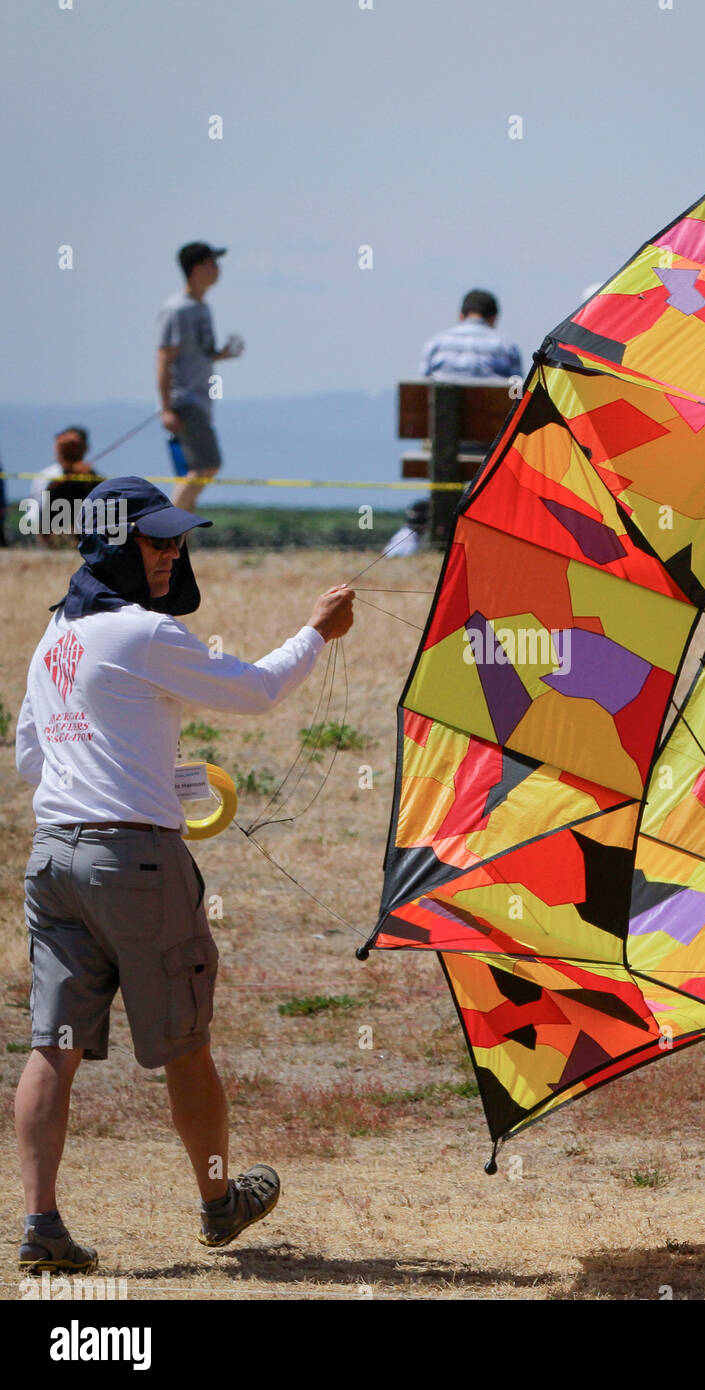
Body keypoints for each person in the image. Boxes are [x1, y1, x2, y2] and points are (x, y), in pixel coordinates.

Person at [13, 476, 355, 1273]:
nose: (172, 554)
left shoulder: (52, 639)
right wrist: (317, 632)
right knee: (185, 1043)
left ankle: (41, 1226)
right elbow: (260, 689)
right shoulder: (142, 634)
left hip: (52, 857)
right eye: (156, 540)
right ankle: (217, 1203)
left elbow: (35, 757)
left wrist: (140, 768)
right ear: (112, 544)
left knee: (51, 1045)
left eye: (176, 541)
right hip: (134, 862)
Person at [156, 242, 244, 515]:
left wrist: (224, 355)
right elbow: (163, 358)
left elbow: (199, 354)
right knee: (207, 465)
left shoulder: (202, 308)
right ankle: (164, 530)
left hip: (201, 402)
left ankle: (177, 542)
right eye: (212, 263)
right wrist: (166, 408)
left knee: (195, 471)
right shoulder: (176, 309)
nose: (217, 269)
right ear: (196, 268)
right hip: (186, 401)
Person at [419, 289, 522, 380]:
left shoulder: (435, 344)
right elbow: (517, 392)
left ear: (461, 316)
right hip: (492, 401)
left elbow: (422, 387)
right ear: (493, 318)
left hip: (444, 402)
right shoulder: (507, 347)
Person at [29, 428, 98, 546]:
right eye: (63, 446)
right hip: (52, 540)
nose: (68, 451)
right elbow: (35, 510)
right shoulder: (46, 477)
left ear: (84, 448)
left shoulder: (93, 477)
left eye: (73, 446)